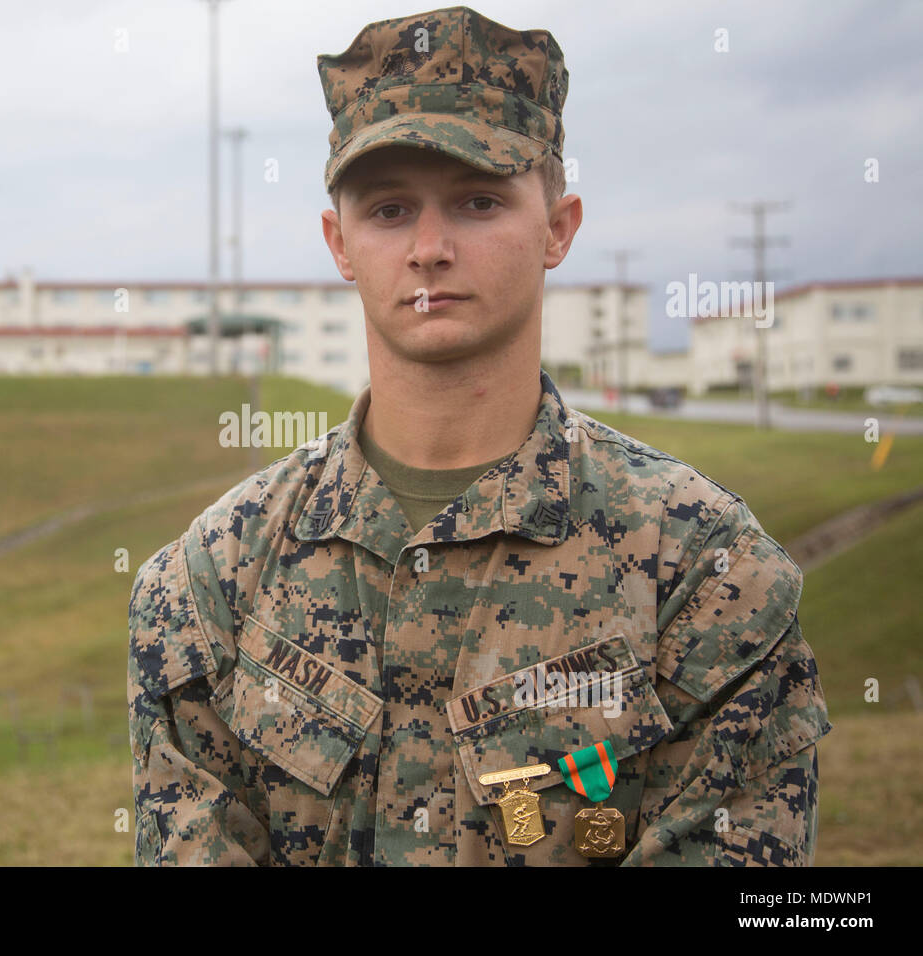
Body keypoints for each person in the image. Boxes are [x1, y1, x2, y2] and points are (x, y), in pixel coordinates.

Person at [127, 4, 830, 866]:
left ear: (559, 228)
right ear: (337, 243)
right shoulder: (212, 582)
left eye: (477, 201)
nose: (429, 248)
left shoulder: (707, 572)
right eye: (389, 211)